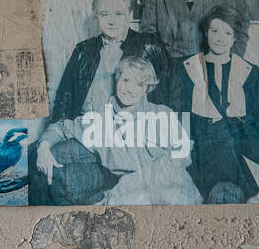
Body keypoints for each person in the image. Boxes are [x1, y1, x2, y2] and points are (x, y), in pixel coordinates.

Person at [37, 56, 201, 206]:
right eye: (126, 80)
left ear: (147, 89)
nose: (130, 89)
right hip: (129, 194)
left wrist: (145, 175)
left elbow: (184, 154)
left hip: (170, 186)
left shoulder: (162, 113)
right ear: (117, 80)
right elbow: (61, 128)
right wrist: (43, 147)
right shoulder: (101, 119)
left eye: (140, 84)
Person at [171, 5, 259, 203]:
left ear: (235, 38)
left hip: (238, 142)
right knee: (223, 135)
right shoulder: (187, 67)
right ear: (206, 32)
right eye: (215, 31)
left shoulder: (248, 71)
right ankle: (251, 193)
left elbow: (253, 129)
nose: (220, 38)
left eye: (228, 33)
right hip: (199, 144)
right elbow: (179, 117)